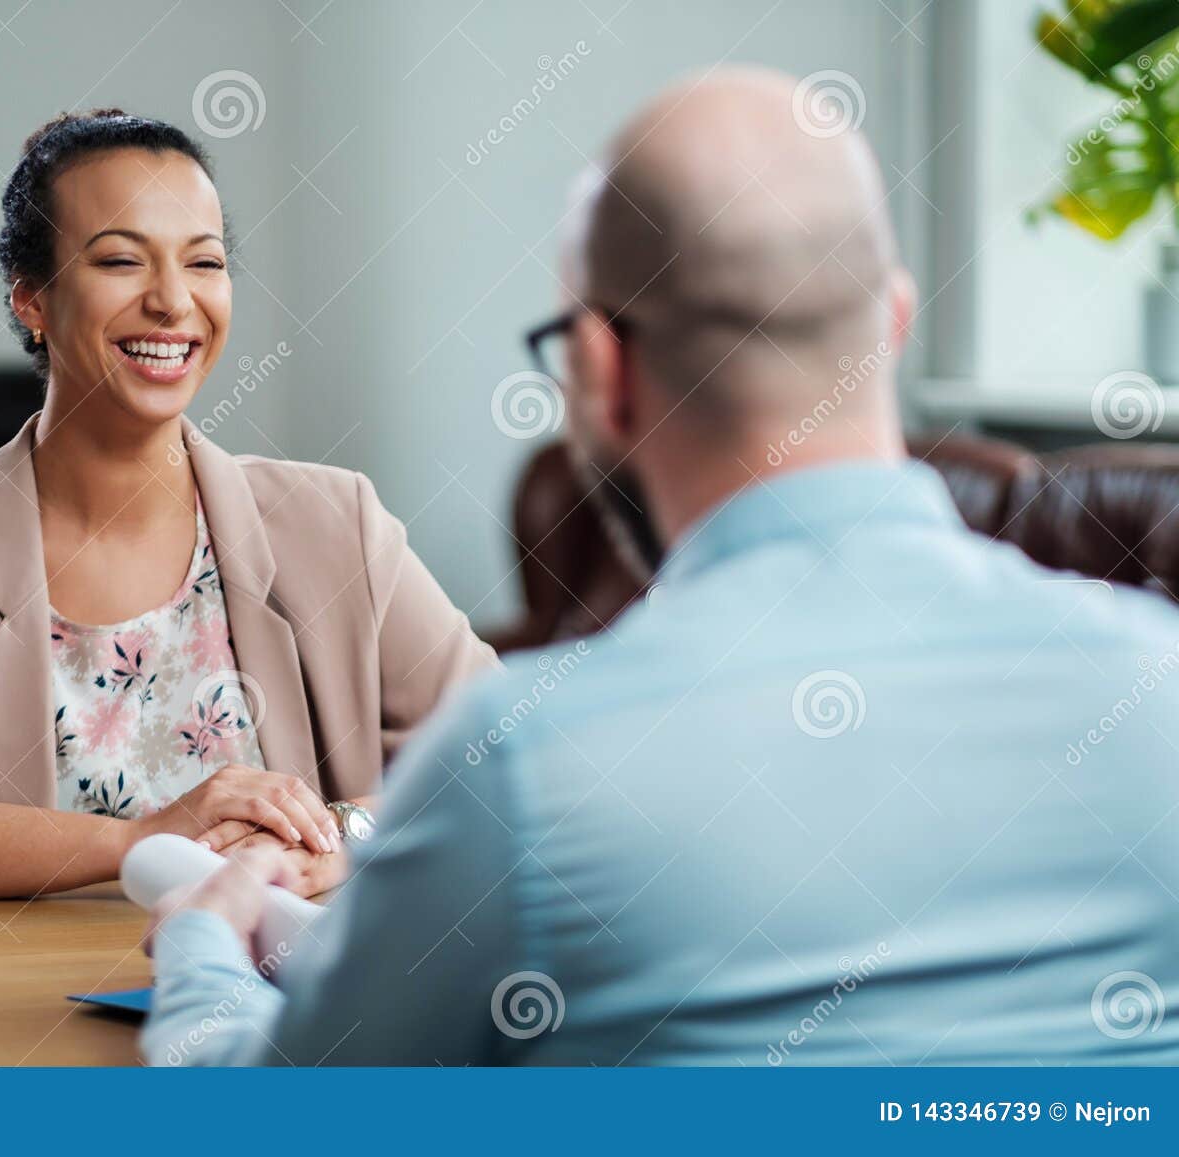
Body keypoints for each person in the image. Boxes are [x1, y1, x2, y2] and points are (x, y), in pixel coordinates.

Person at [139, 67, 1179, 1065]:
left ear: (600, 365)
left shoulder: (519, 769)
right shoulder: (1157, 682)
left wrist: (203, 950)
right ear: (893, 322)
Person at [0, 109, 495, 900]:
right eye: (122, 261)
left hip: (280, 1002)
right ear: (32, 299)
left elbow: (516, 750)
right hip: (10, 1008)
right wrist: (137, 839)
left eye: (204, 263)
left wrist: (343, 835)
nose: (174, 302)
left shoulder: (334, 522)